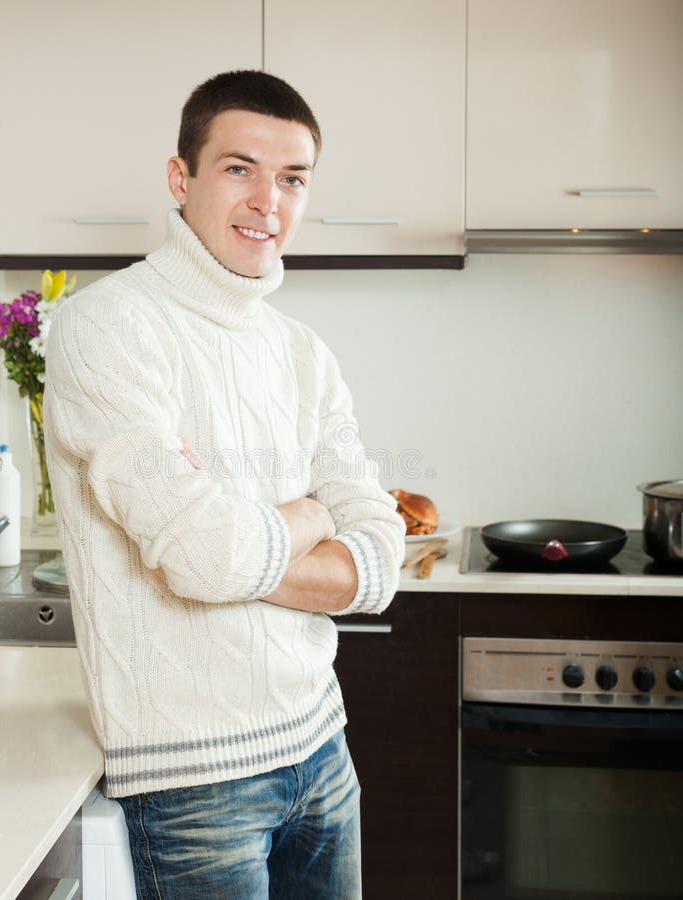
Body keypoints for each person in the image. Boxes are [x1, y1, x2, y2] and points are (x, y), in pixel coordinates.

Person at [44, 69, 405, 899]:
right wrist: (315, 513)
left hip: (323, 746)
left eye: (292, 178)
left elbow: (381, 561)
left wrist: (247, 540)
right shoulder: (107, 327)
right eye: (240, 168)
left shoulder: (302, 352)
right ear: (183, 178)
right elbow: (205, 558)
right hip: (194, 780)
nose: (266, 202)